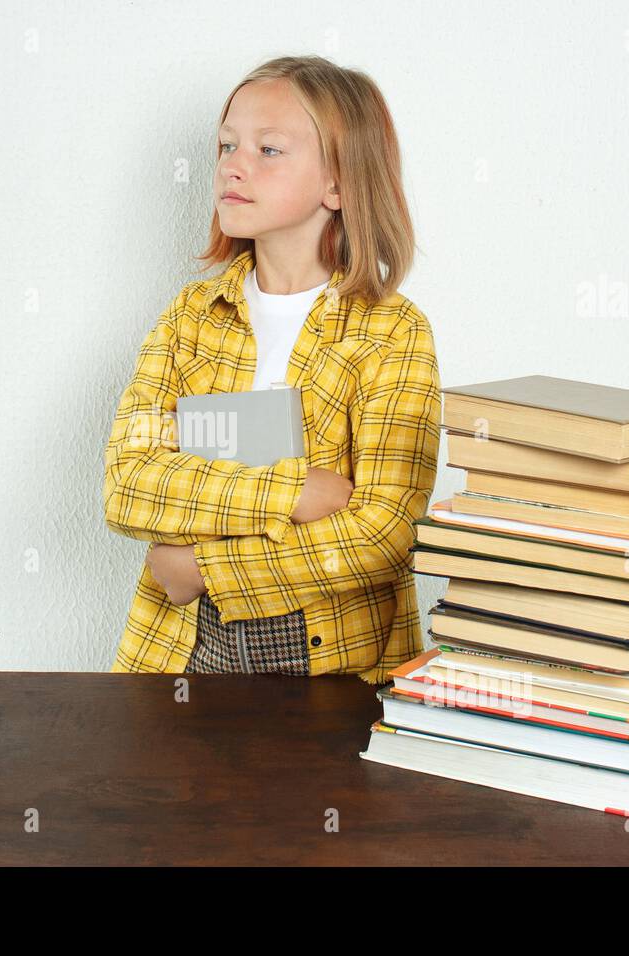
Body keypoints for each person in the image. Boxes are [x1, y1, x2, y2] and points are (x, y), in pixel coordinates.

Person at [103, 54, 441, 684]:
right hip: (185, 645)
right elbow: (130, 484)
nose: (234, 163)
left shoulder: (392, 331)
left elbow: (382, 533)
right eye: (227, 145)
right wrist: (298, 493)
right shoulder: (190, 319)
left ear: (338, 184)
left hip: (333, 663)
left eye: (269, 149)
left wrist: (202, 567)